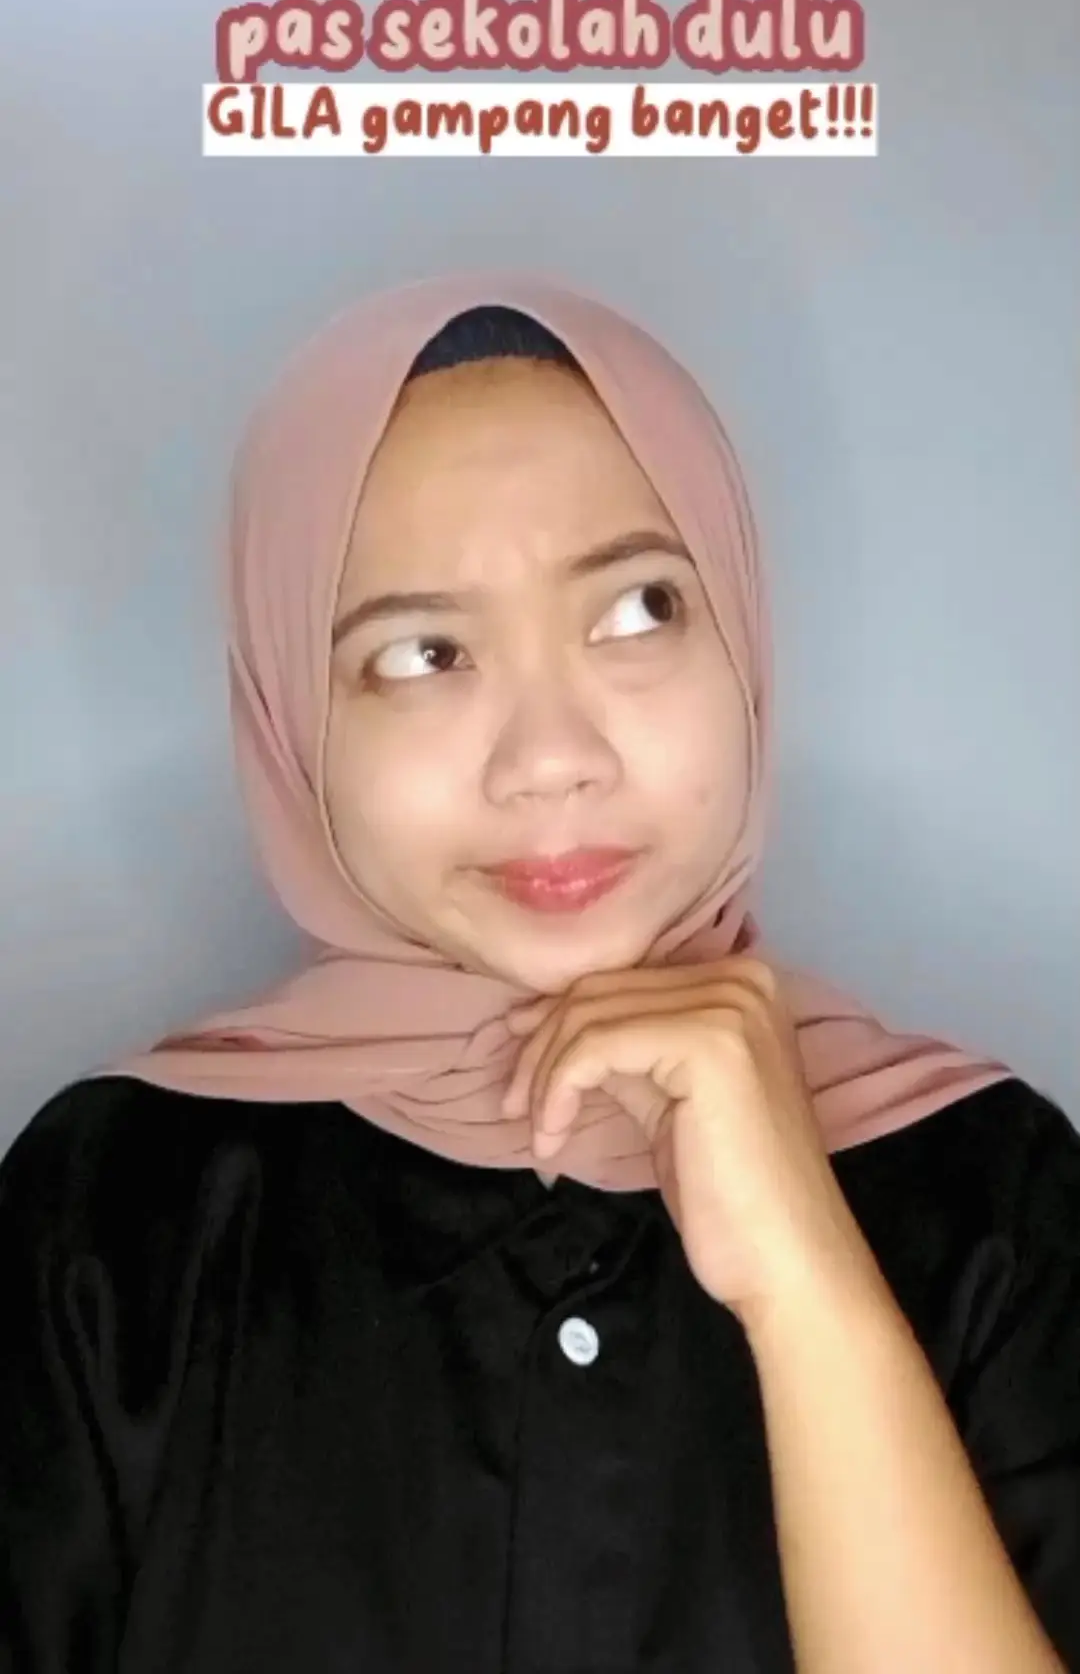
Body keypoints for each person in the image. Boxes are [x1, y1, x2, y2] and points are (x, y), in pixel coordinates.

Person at [0, 276, 1076, 1674]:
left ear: (740, 627)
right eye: (423, 654)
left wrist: (811, 1296)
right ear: (290, 712)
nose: (551, 758)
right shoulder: (112, 1216)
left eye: (638, 609)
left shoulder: (998, 1195)